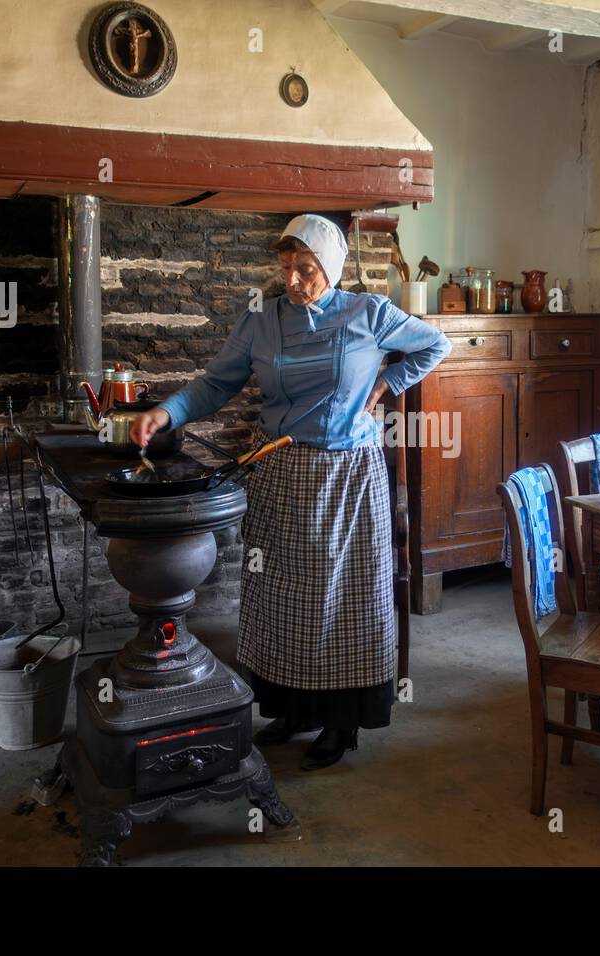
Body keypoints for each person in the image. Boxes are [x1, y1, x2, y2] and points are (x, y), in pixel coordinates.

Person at [129, 214, 451, 770]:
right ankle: (291, 708)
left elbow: (435, 344)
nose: (294, 281)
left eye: (307, 269)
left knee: (342, 600)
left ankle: (341, 722)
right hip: (279, 470)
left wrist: (387, 382)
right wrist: (164, 411)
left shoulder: (368, 314)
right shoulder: (263, 319)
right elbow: (216, 384)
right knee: (280, 598)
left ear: (331, 268)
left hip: (347, 475)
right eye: (287, 268)